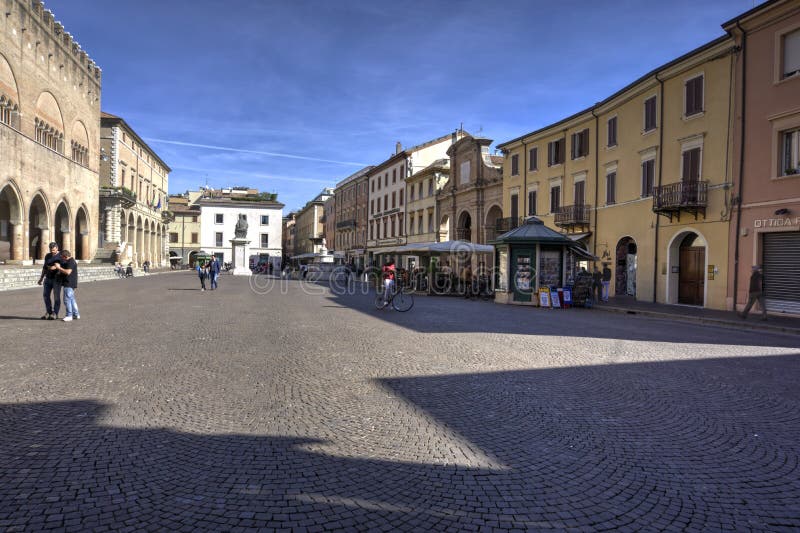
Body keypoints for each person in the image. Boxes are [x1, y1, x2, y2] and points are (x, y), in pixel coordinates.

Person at [36, 242, 62, 320]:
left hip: (57, 279)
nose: (52, 252)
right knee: (46, 296)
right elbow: (44, 267)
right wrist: (41, 278)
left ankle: (55, 313)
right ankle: (49, 312)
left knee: (56, 297)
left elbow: (64, 264)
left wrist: (56, 267)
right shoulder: (48, 255)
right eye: (51, 250)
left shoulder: (61, 255)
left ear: (57, 248)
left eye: (54, 250)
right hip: (48, 278)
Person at [54, 249, 80, 321]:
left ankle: (69, 315)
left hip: (69, 283)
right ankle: (76, 314)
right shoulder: (70, 261)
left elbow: (68, 272)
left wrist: (59, 268)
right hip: (71, 283)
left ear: (65, 256)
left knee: (67, 300)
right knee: (71, 299)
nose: (61, 258)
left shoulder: (71, 261)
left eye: (62, 257)